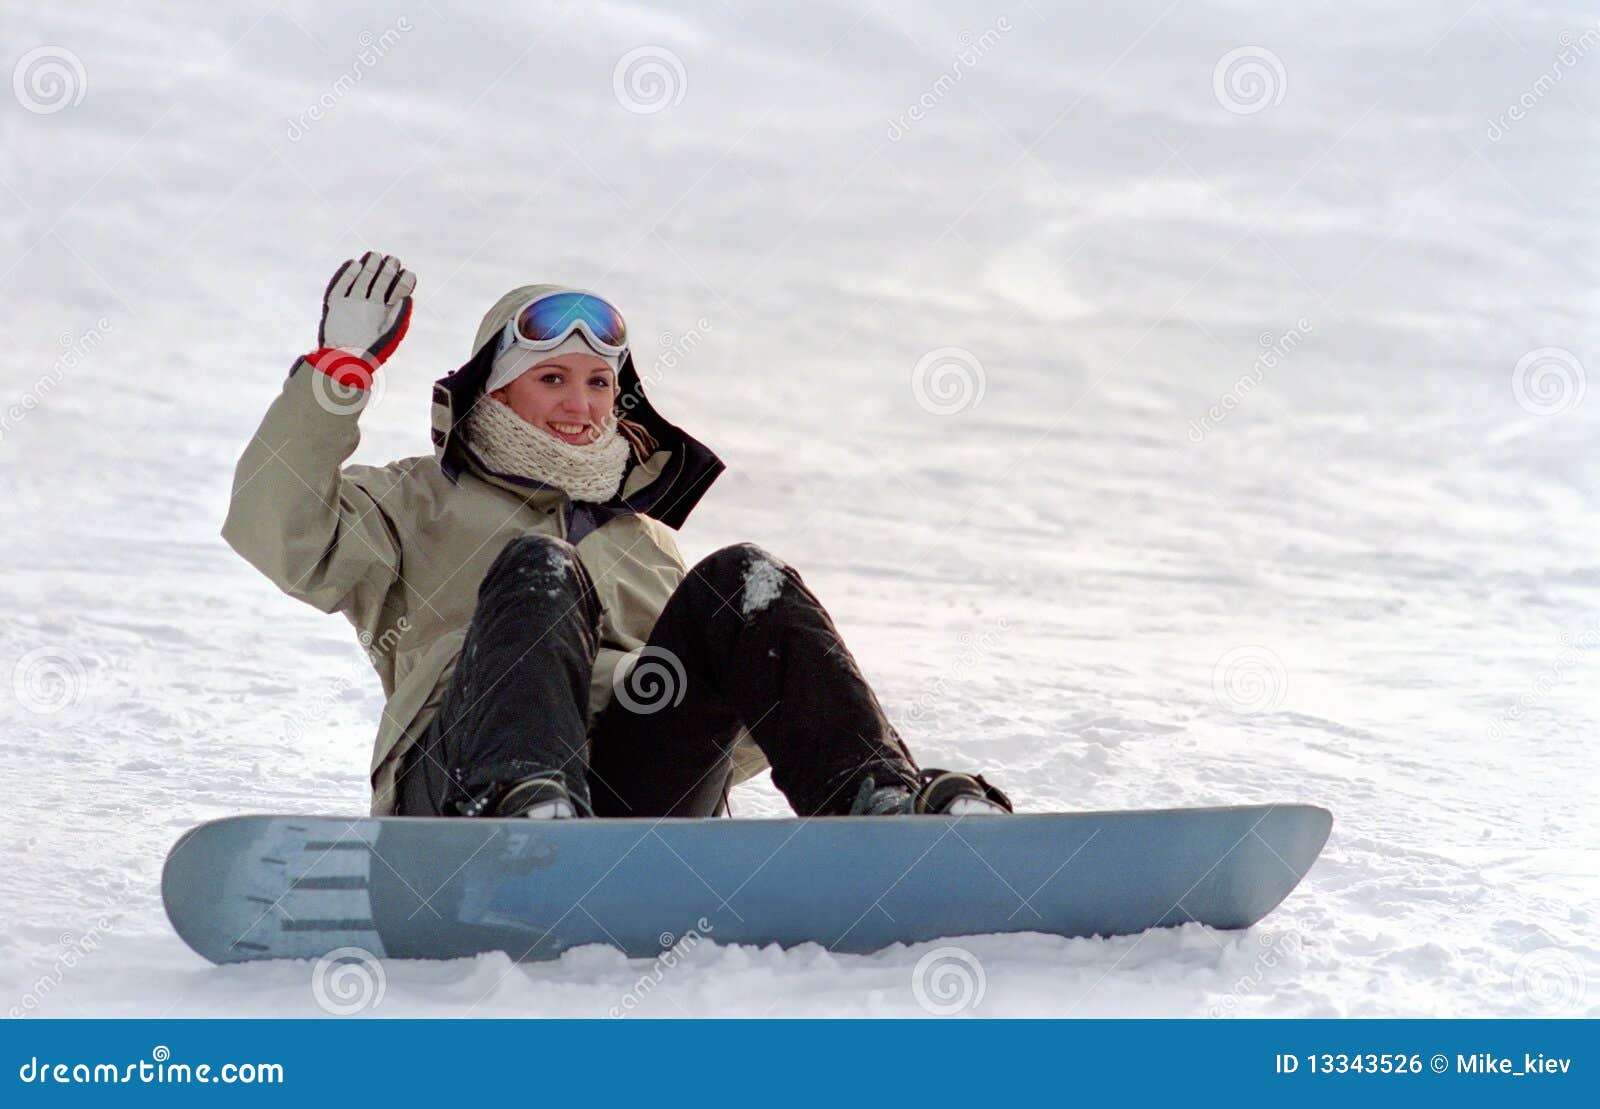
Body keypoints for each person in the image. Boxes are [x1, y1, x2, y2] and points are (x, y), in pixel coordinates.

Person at [222, 251, 1013, 821]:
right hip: (458, 787)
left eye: (600, 382)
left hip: (631, 798)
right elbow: (280, 532)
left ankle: (877, 807)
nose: (582, 404)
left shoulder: (643, 538)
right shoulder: (415, 497)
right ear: (493, 389)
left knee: (745, 578)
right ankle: (522, 810)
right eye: (553, 378)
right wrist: (336, 375)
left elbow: (734, 727)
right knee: (538, 567)